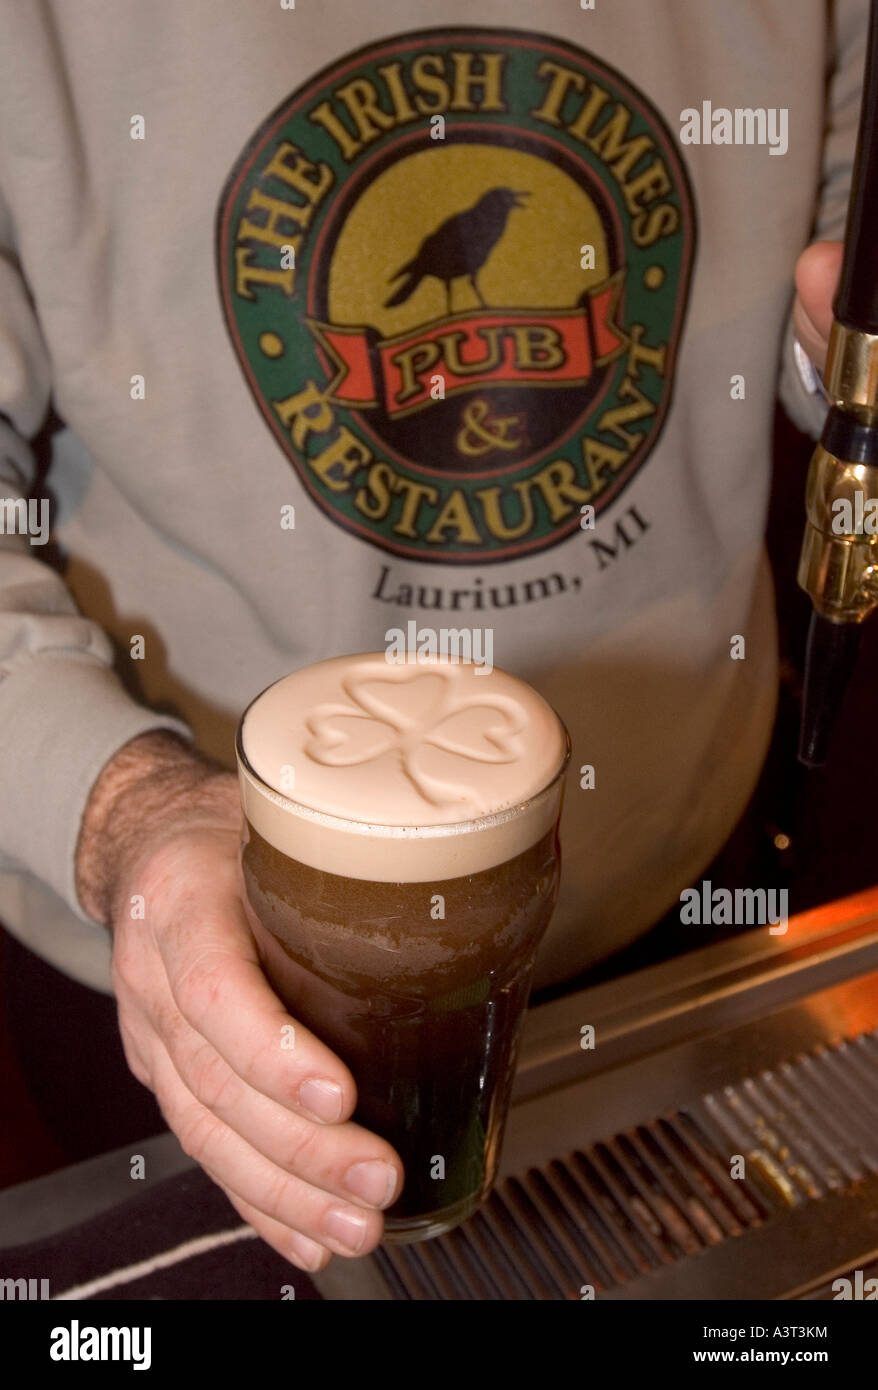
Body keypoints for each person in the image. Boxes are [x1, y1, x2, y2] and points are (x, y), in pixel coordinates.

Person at [0, 0, 865, 1273]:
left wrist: (834, 357)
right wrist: (123, 809)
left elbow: (826, 298)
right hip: (210, 959)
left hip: (672, 897)